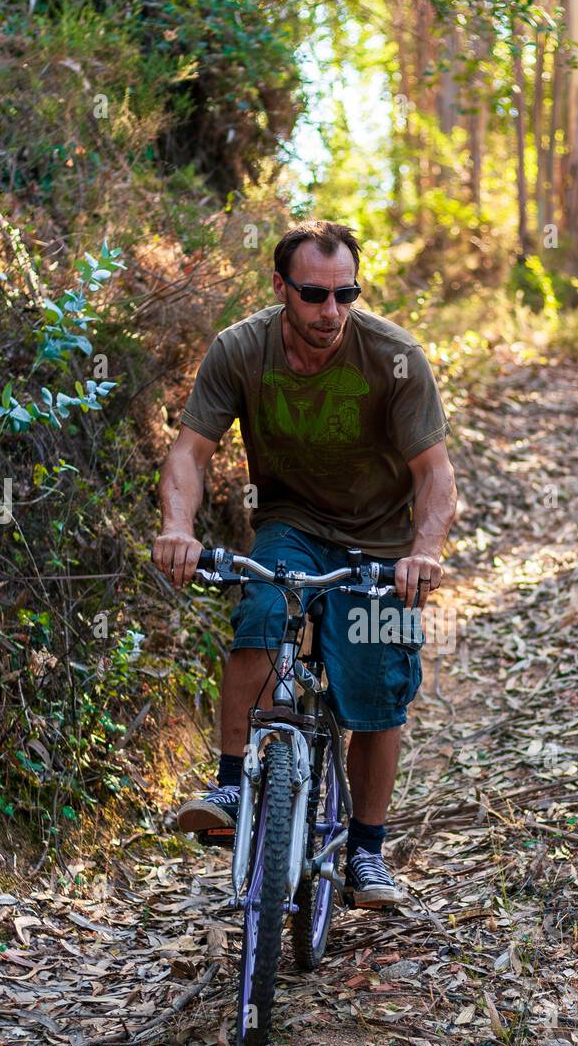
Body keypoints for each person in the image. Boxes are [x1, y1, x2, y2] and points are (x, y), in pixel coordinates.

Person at [152, 220, 457, 906]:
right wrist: (178, 528)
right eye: (314, 295)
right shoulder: (240, 349)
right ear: (279, 287)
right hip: (291, 524)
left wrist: (424, 551)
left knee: (378, 696)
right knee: (260, 613)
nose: (331, 312)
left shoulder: (393, 356)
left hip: (380, 544)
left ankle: (366, 853)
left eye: (345, 294)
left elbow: (436, 475)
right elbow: (188, 453)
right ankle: (233, 782)